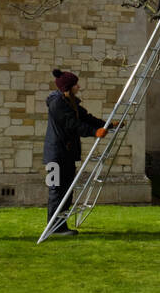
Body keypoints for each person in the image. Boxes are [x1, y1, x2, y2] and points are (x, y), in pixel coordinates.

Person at [43, 69, 118, 237]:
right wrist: (94, 132)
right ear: (68, 87)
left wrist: (107, 125)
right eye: (76, 84)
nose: (79, 86)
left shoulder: (71, 102)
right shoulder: (57, 104)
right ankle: (54, 226)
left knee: (67, 191)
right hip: (55, 156)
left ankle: (60, 225)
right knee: (56, 190)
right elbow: (72, 124)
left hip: (67, 155)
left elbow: (86, 118)